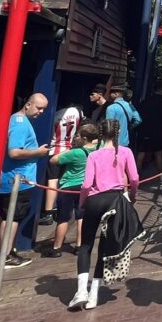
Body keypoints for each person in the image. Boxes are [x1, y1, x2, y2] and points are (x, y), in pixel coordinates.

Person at [73, 118, 139, 310]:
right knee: (104, 246)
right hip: (115, 200)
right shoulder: (125, 152)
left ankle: (80, 291)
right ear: (118, 133)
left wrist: (83, 201)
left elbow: (86, 185)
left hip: (94, 199)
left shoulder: (93, 155)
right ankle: (94, 293)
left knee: (85, 244)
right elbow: (134, 178)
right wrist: (133, 196)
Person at [0, 93, 49, 270]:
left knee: (1, 217)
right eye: (39, 108)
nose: (41, 112)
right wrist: (37, 153)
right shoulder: (20, 123)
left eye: (44, 109)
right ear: (28, 104)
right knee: (12, 218)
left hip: (12, 178)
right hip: (17, 179)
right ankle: (5, 256)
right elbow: (14, 152)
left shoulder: (18, 121)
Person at [46, 123, 99, 258]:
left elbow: (53, 160)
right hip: (84, 187)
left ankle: (56, 247)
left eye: (78, 135)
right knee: (80, 217)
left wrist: (68, 148)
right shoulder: (96, 151)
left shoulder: (76, 152)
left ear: (85, 138)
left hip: (68, 187)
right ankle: (79, 246)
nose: (76, 137)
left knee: (63, 218)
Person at [41, 101, 84, 226]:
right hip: (69, 149)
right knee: (63, 179)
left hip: (54, 149)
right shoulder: (78, 112)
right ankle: (61, 208)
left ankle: (49, 211)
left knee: (52, 180)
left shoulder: (56, 114)